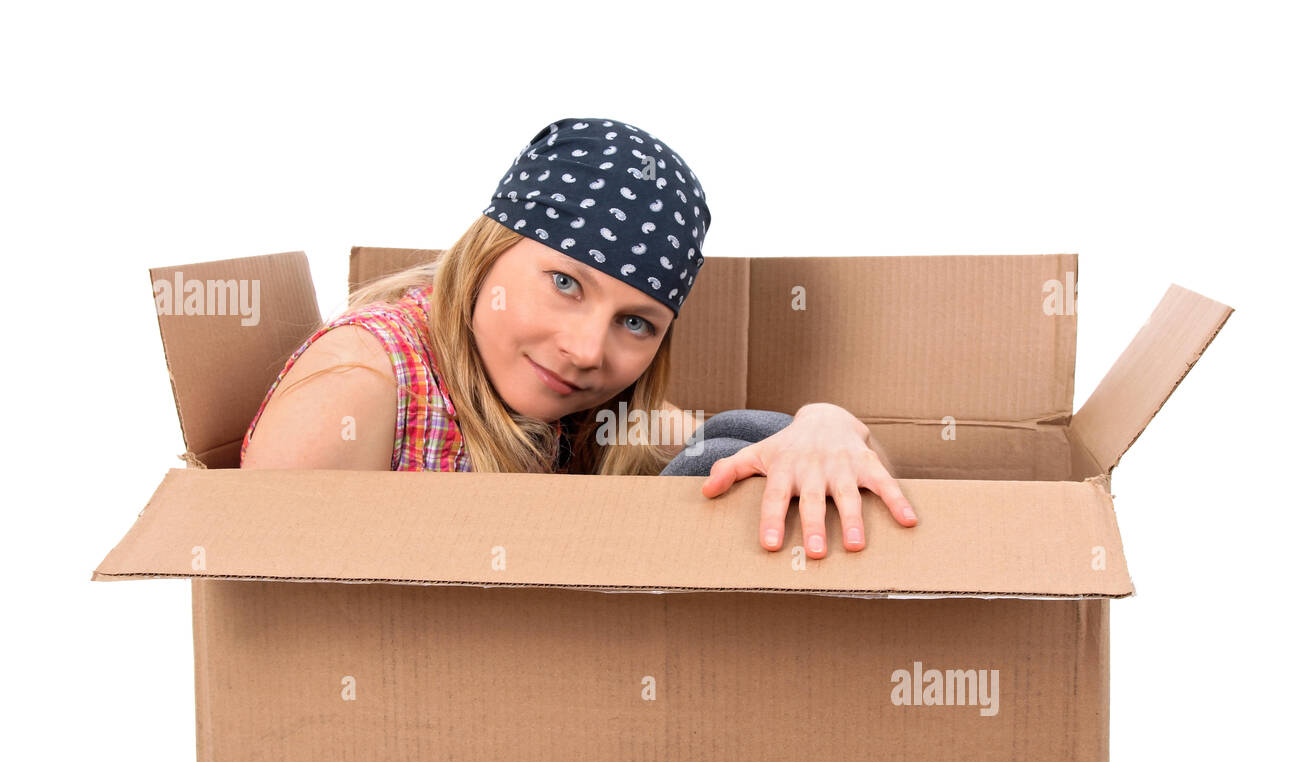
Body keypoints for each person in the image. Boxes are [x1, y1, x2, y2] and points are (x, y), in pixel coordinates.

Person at [241, 116, 917, 557]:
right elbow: (273, 635)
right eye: (565, 283)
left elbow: (749, 444)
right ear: (489, 251)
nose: (588, 351)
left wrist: (826, 426)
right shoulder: (364, 386)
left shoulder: (594, 413)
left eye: (635, 322)